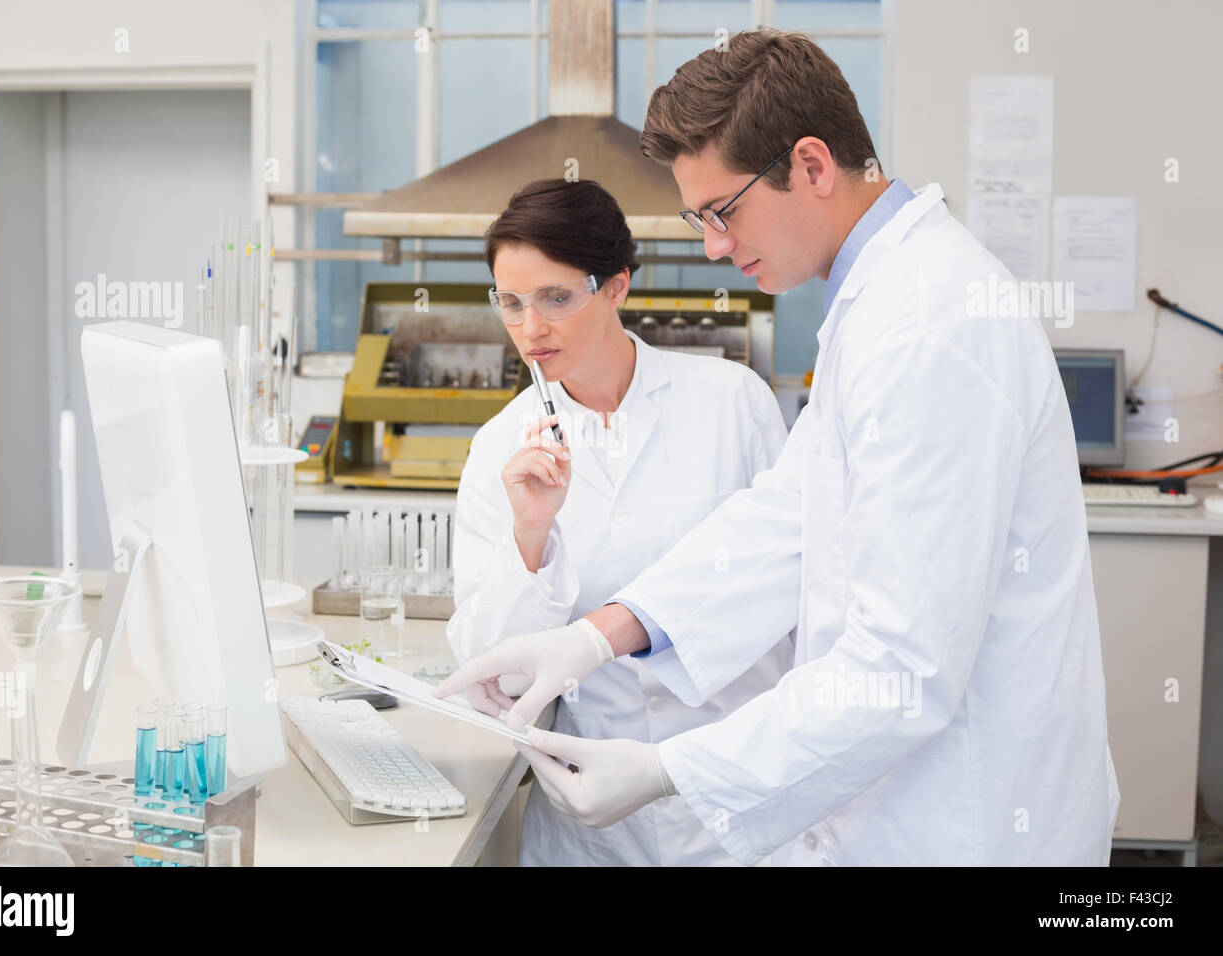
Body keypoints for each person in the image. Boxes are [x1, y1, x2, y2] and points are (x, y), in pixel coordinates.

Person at [438, 30, 1121, 866]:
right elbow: (783, 519)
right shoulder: (876, 308)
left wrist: (670, 768)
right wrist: (593, 639)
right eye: (699, 220)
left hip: (963, 823)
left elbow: (902, 665)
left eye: (721, 211)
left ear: (811, 164)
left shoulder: (926, 329)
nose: (713, 246)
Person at [445, 178, 794, 866]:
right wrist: (531, 538)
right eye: (510, 303)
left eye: (556, 298)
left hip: (734, 810)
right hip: (590, 826)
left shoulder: (731, 405)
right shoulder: (501, 446)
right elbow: (493, 679)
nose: (530, 329)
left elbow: (793, 593)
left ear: (616, 287)